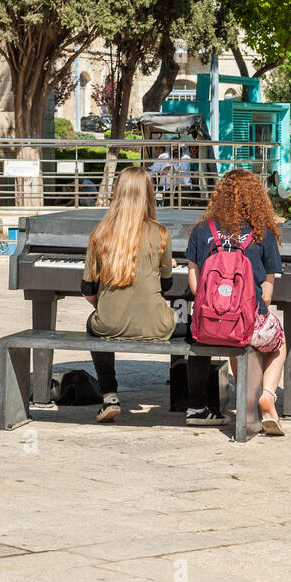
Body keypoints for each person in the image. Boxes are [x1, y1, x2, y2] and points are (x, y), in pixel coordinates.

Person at [184, 168, 287, 434]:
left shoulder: (201, 231)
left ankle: (245, 400)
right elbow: (265, 295)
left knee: (233, 335)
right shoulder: (261, 233)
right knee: (277, 341)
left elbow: (196, 288)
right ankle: (265, 394)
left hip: (208, 327)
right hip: (244, 326)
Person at [81, 167, 176, 423]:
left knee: (92, 325)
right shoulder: (161, 233)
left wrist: (112, 305)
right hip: (155, 325)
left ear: (117, 192)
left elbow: (88, 290)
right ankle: (193, 401)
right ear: (149, 194)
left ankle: (109, 395)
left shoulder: (100, 233)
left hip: (109, 323)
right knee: (190, 324)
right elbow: (166, 287)